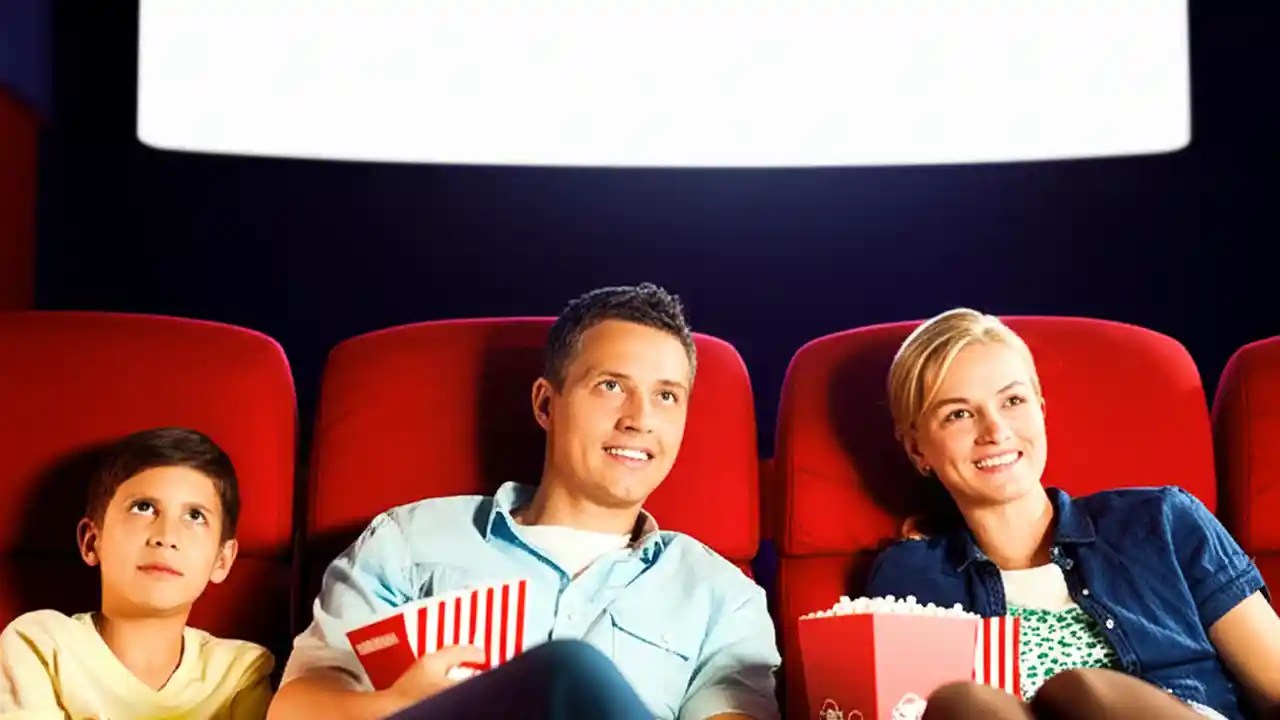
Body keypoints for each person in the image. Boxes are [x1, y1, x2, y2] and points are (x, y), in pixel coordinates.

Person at [268, 283, 780, 720]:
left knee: (570, 670)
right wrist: (397, 706)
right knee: (567, 670)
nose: (640, 419)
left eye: (666, 396)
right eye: (610, 386)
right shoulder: (410, 541)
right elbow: (295, 707)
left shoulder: (721, 595)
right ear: (545, 403)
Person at [865, 308, 1280, 720]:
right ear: (918, 450)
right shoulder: (907, 579)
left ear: (1041, 412)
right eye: (958, 414)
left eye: (1012, 401)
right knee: (963, 705)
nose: (995, 431)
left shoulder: (1163, 521)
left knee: (1082, 691)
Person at [0, 427, 274, 717]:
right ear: (92, 541)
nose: (166, 536)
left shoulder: (239, 673)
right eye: (143, 507)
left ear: (222, 560)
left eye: (195, 516)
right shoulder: (41, 645)